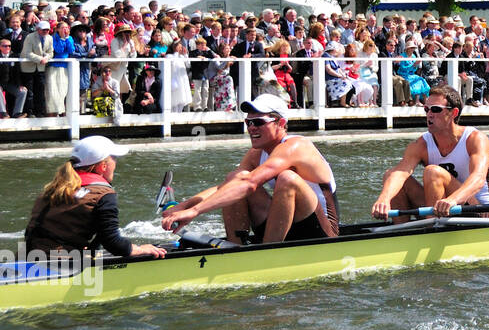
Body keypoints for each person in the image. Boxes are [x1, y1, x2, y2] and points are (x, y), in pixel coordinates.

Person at [161, 94, 340, 244]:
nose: (252, 128)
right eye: (249, 122)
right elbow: (227, 187)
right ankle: (234, 248)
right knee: (234, 178)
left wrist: (194, 212)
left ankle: (266, 253)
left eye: (259, 122)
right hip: (283, 225)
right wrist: (184, 206)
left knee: (287, 179)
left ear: (281, 122)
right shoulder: (256, 153)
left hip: (321, 232)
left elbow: (250, 183)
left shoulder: (297, 146)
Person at [25, 136, 168, 258]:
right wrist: (139, 249)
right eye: (114, 158)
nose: (116, 163)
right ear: (103, 166)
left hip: (29, 256)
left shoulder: (54, 188)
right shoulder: (102, 193)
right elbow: (113, 243)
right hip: (60, 264)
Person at [370, 86, 489, 222]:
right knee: (391, 175)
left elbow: (478, 179)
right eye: (426, 109)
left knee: (433, 172)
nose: (429, 114)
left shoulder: (475, 139)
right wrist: (384, 198)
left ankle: (432, 231)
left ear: (454, 113)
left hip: (478, 211)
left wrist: (452, 200)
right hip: (440, 208)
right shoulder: (421, 144)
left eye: (436, 109)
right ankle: (401, 232)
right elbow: (400, 173)